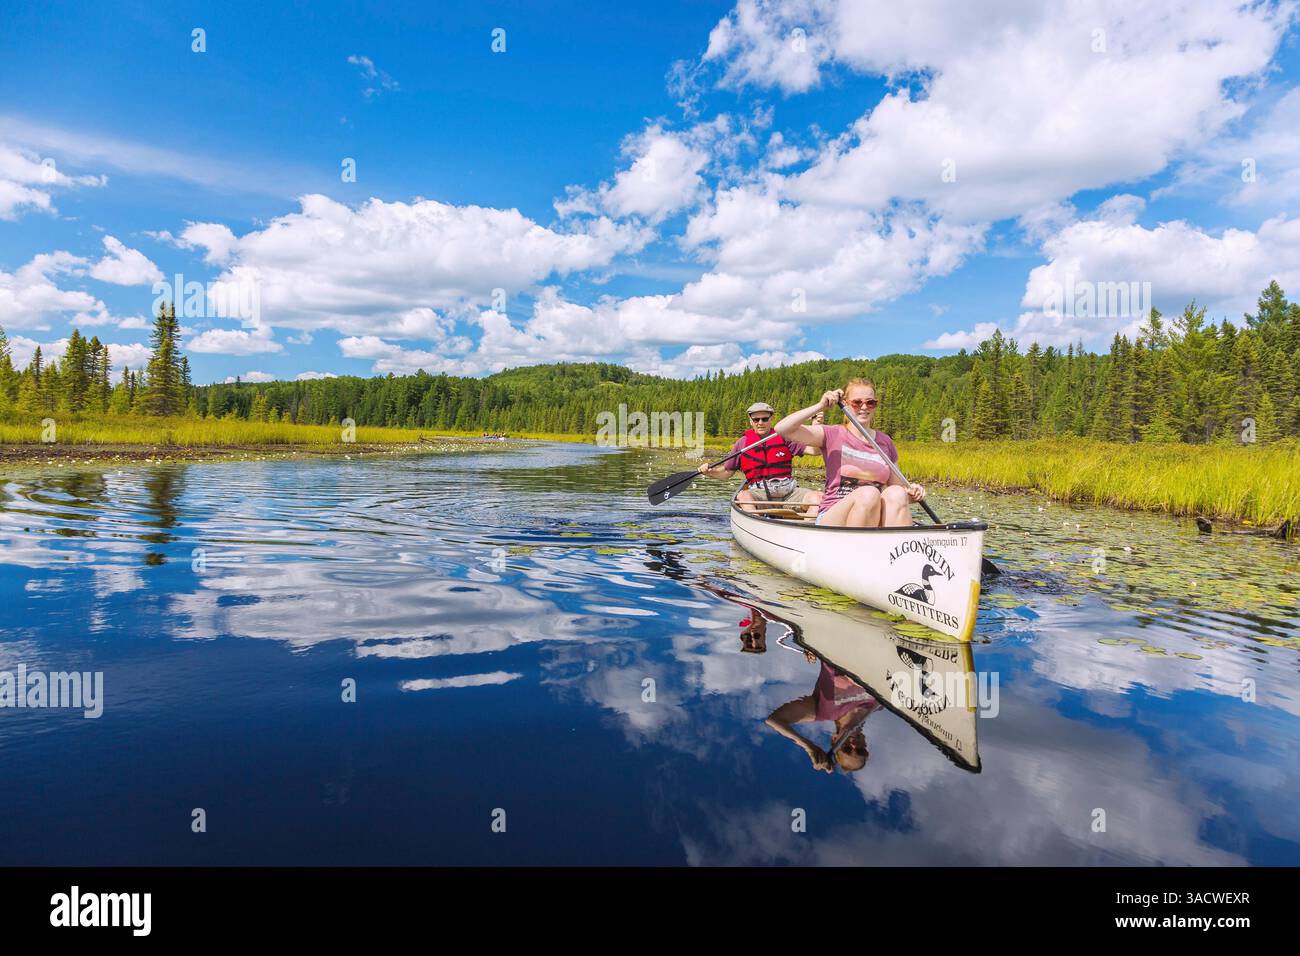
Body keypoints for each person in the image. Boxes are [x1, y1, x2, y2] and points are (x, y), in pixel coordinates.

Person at [772, 378, 925, 527]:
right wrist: (820, 406)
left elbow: (897, 489)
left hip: (873, 516)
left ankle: (894, 548)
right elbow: (782, 429)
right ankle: (857, 548)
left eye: (870, 402)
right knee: (868, 493)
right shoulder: (832, 433)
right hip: (834, 515)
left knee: (896, 493)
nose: (864, 407)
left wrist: (912, 493)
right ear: (845, 404)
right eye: (857, 402)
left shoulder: (885, 441)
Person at [697, 401, 822, 514]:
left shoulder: (785, 437)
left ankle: (807, 528)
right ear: (750, 421)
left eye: (764, 419)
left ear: (771, 419)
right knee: (743, 496)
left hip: (788, 493)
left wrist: (816, 426)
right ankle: (757, 522)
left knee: (818, 497)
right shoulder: (742, 443)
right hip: (759, 495)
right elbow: (726, 472)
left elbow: (814, 451)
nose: (760, 423)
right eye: (756, 420)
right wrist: (709, 472)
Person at [766, 652, 880, 773]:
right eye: (861, 751)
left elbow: (774, 720)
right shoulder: (879, 705)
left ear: (834, 739)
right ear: (865, 744)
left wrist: (809, 747)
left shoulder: (825, 710)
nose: (854, 746)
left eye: (846, 749)